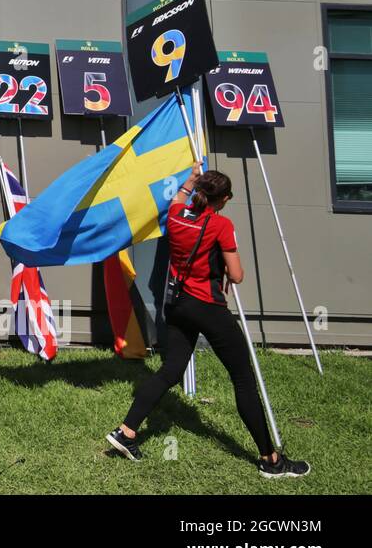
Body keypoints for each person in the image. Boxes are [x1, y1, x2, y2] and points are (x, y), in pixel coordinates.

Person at [106, 164, 310, 478]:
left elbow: (178, 199)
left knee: (169, 371)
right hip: (208, 307)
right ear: (224, 198)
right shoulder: (221, 225)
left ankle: (125, 432)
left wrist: (189, 180)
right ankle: (271, 461)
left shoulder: (174, 216)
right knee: (242, 379)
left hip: (177, 306)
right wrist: (226, 269)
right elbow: (238, 275)